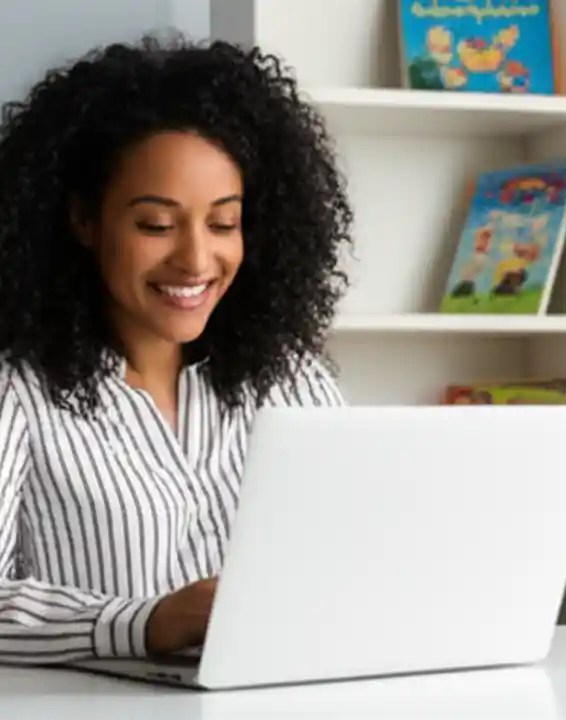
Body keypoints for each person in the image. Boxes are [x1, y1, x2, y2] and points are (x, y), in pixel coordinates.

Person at [0, 35, 352, 663]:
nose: (195, 259)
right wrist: (141, 623)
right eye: (155, 225)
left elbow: (363, 555)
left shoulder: (293, 381)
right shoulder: (17, 393)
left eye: (223, 223)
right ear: (83, 220)